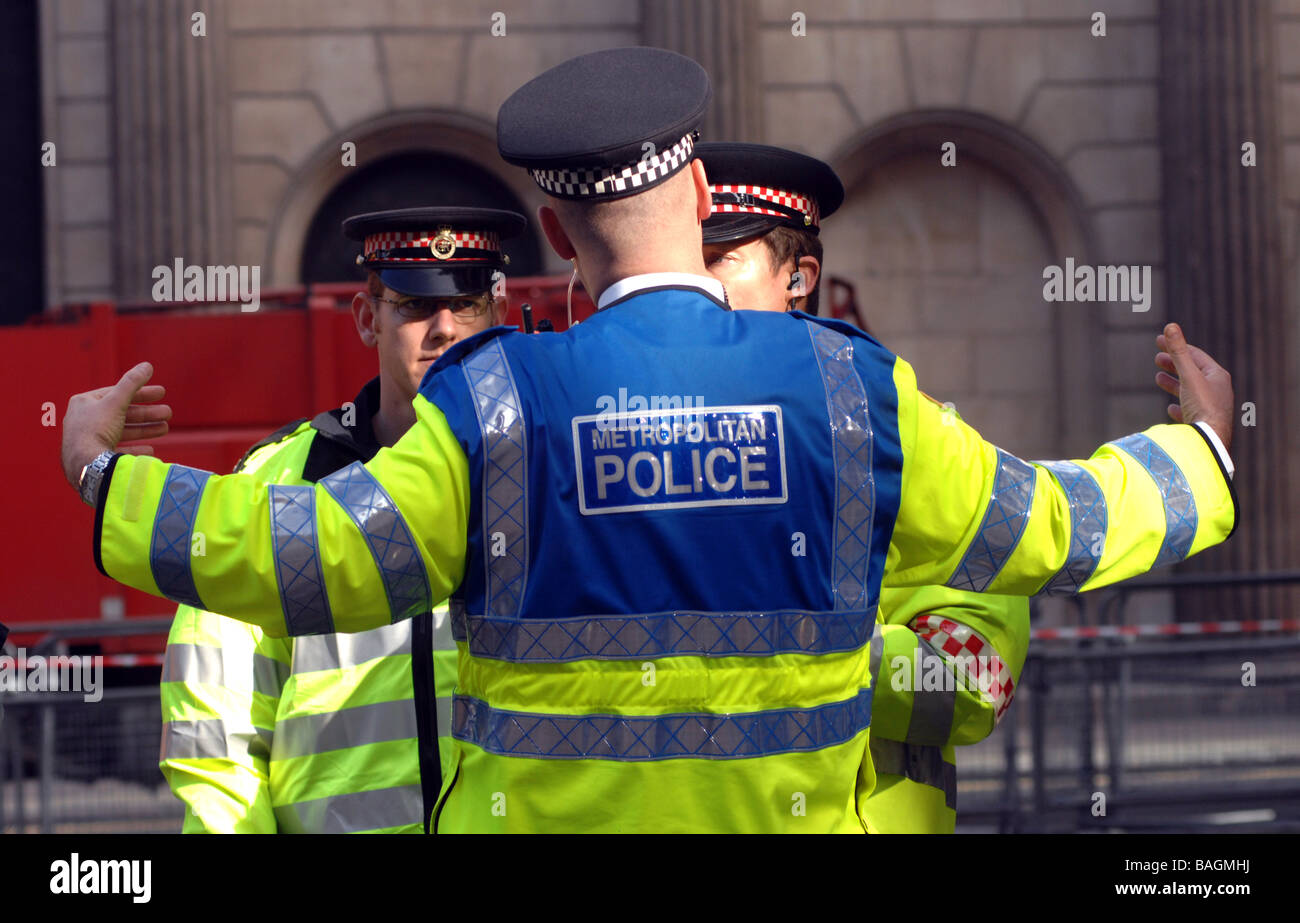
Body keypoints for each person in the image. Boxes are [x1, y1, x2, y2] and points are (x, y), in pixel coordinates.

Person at [62, 47, 1238, 833]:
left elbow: (296, 555)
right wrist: (1202, 451)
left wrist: (103, 472)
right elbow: (1058, 523)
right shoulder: (851, 393)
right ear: (695, 187)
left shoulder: (496, 400)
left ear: (551, 234)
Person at [697, 141, 1029, 833]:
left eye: (718, 259)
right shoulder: (635, 438)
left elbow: (974, 682)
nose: (693, 289)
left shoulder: (902, 440)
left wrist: (783, 650)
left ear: (799, 276)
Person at [159, 206, 525, 833]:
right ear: (367, 319)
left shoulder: (537, 474)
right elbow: (214, 730)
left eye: (467, 305)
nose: (444, 329)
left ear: (498, 316)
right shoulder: (276, 482)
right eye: (413, 306)